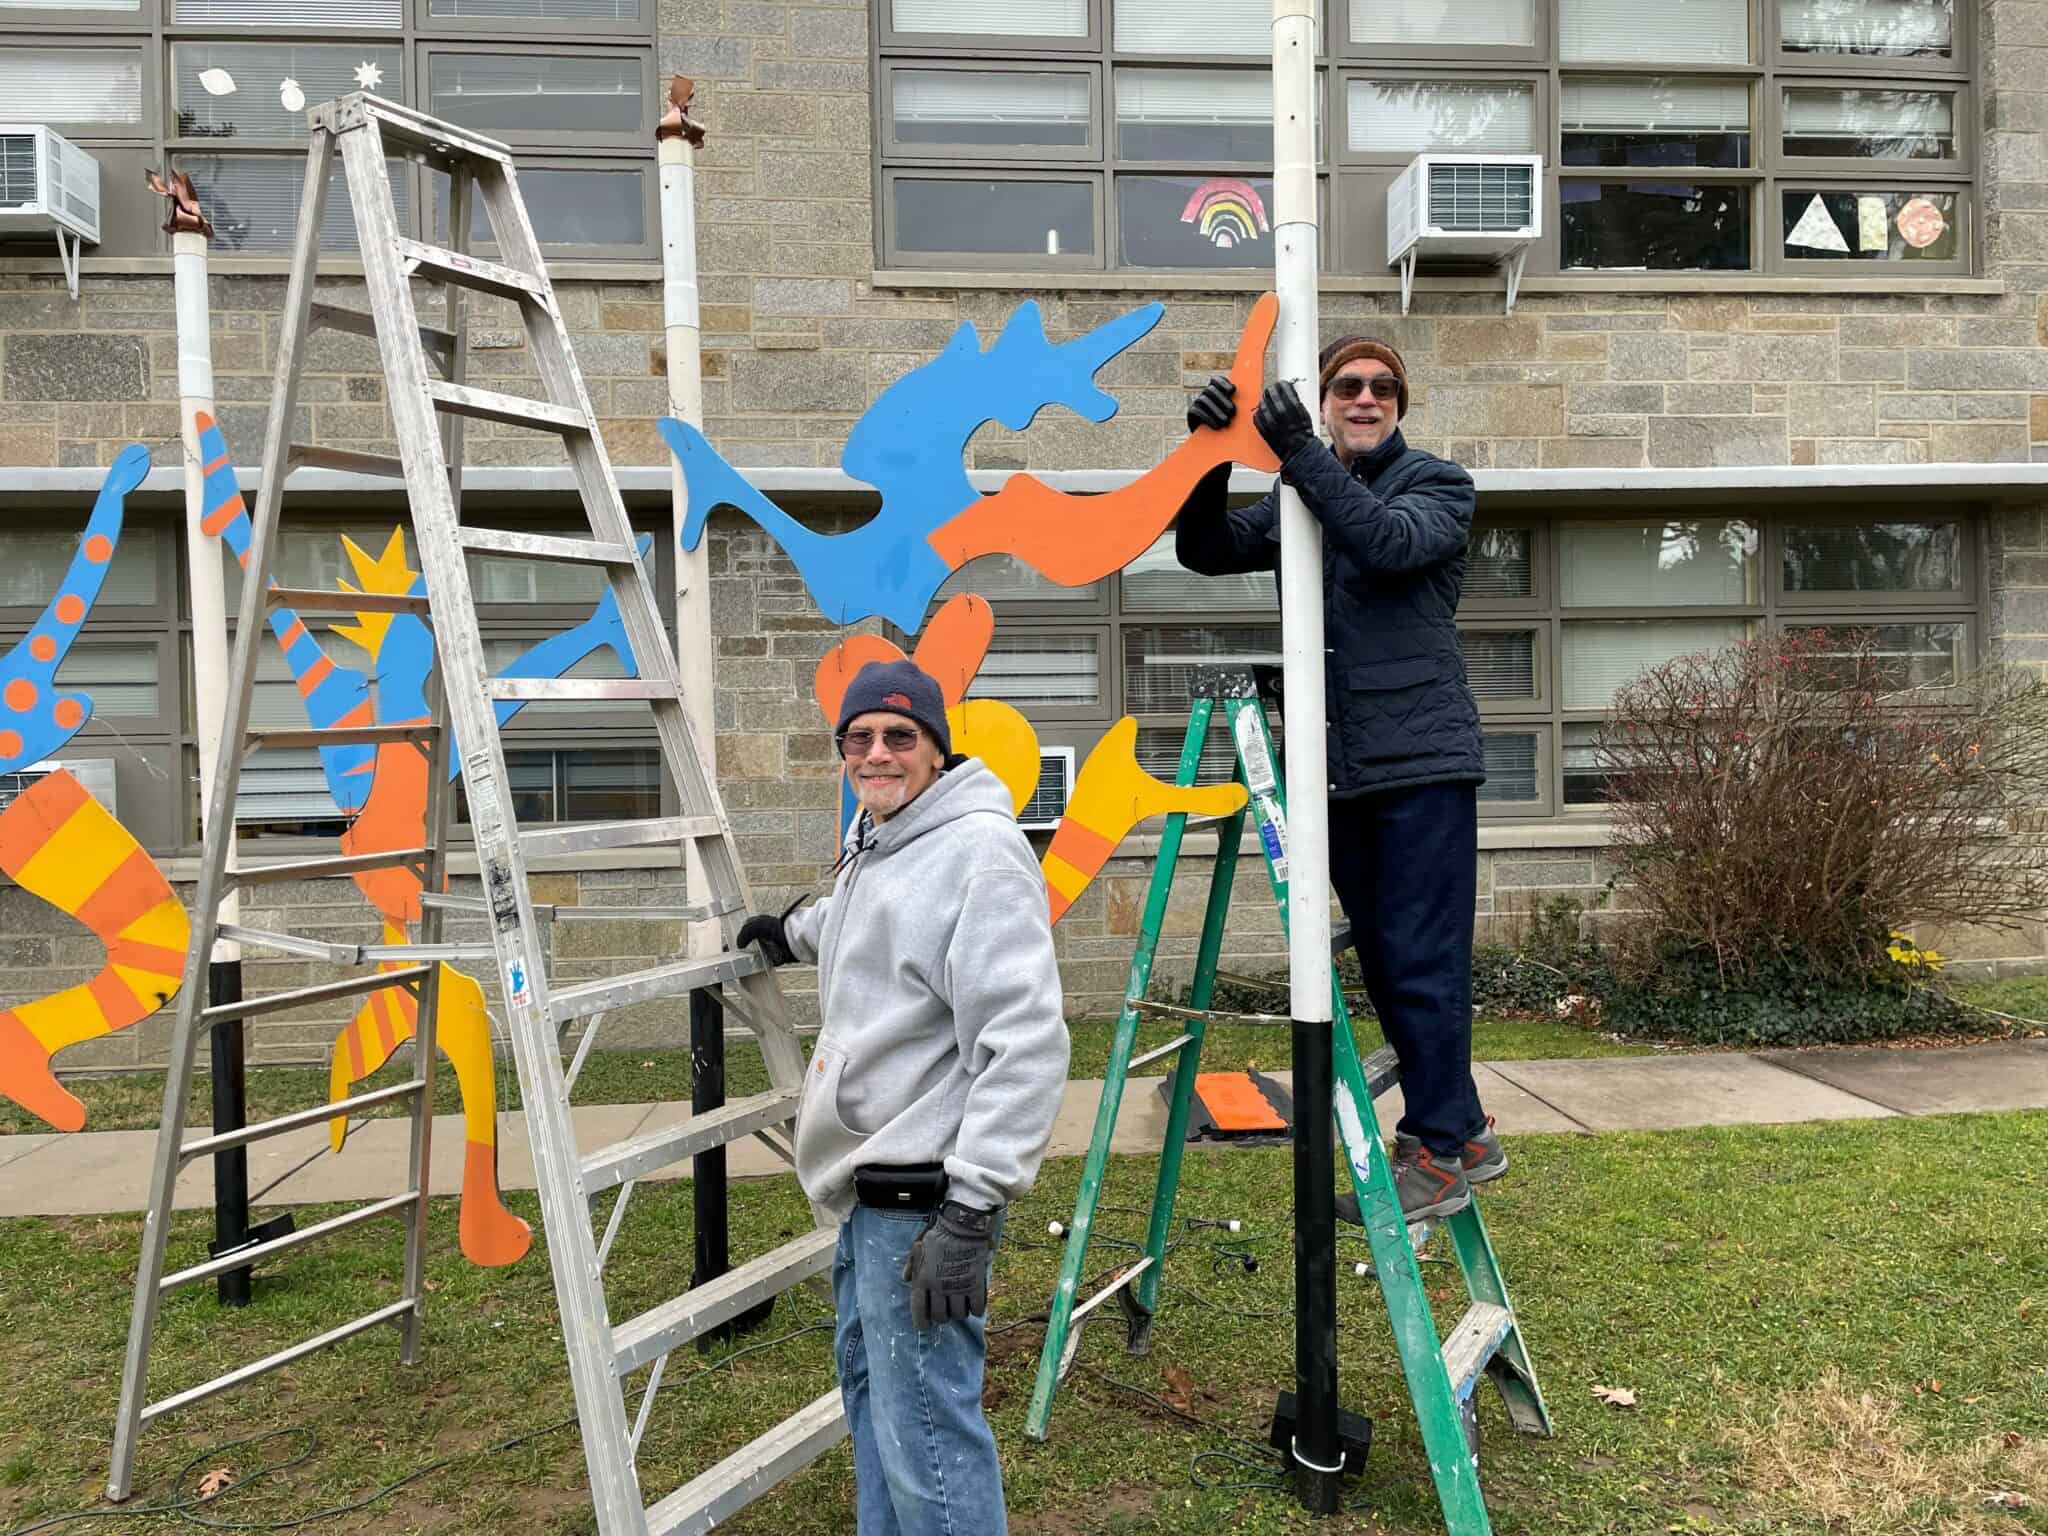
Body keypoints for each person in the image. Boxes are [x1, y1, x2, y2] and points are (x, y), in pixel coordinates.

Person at [1174, 336, 1505, 1225]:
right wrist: (1210, 453)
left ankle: (1436, 1152)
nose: (1366, 398)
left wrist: (1298, 457)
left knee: (1425, 963)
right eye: (1347, 385)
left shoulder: (1438, 486)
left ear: (1401, 402)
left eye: (1383, 387)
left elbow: (1387, 545)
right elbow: (1203, 550)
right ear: (1325, 399)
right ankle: (1466, 1129)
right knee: (1393, 964)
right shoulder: (1301, 492)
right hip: (1340, 771)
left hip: (1424, 765)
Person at [736, 657, 1069, 1536]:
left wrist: (972, 1210)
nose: (877, 752)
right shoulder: (881, 836)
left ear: (935, 748)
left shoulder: (980, 855)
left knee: (926, 1434)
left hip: (925, 1202)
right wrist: (791, 933)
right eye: (860, 737)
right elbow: (867, 920)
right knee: (877, 1407)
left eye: (899, 736)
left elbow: (1026, 1044)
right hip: (864, 1191)